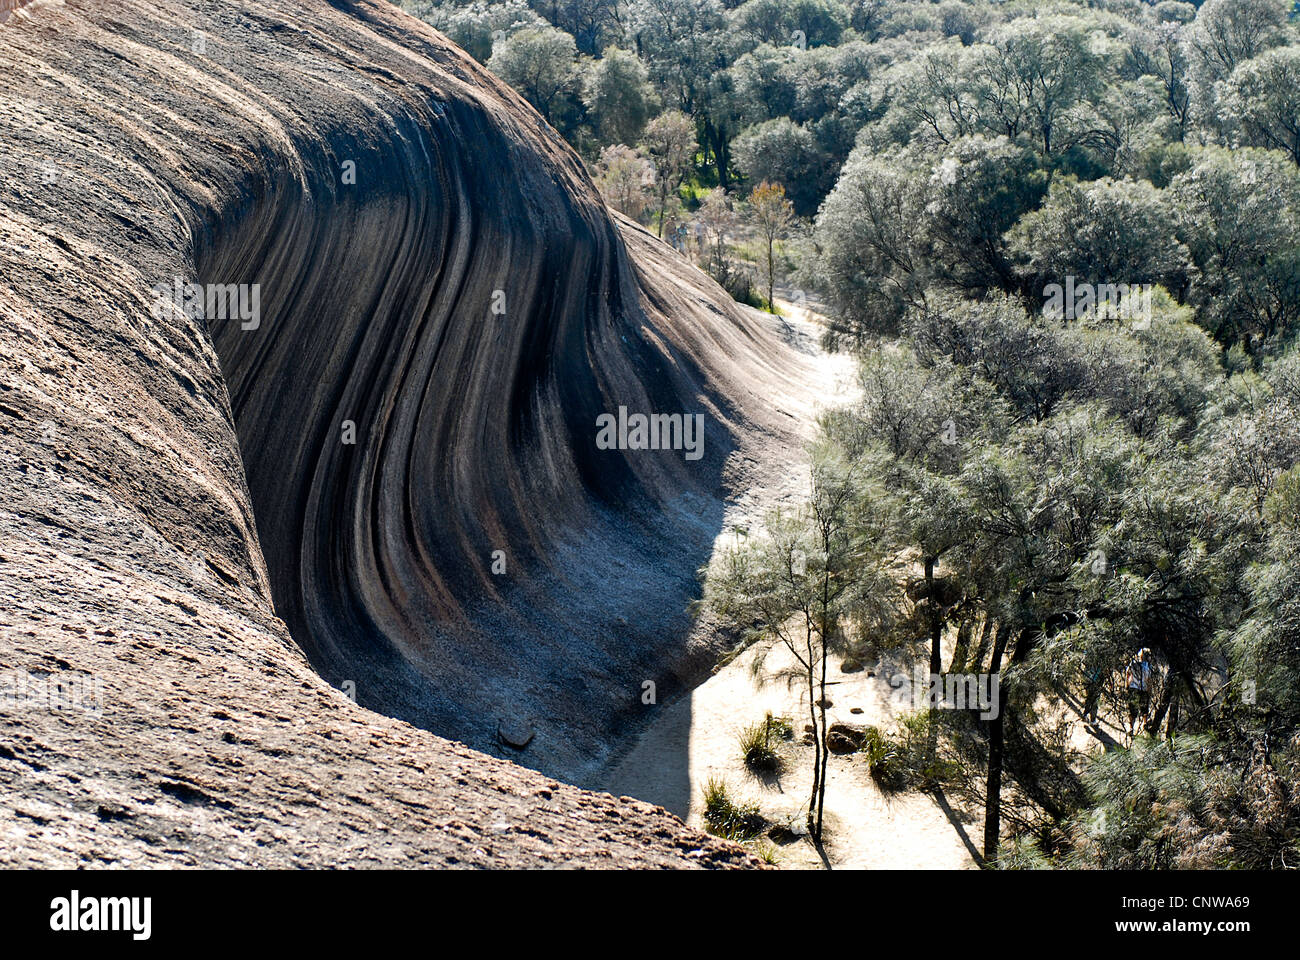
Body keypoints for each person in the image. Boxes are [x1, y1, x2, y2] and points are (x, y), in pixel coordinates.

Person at [1125, 648, 1153, 735]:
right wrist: (1149, 692)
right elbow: (1149, 680)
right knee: (1144, 709)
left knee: (1132, 710)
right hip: (1143, 690)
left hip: (1133, 689)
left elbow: (1127, 673)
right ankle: (1145, 725)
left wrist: (1127, 684)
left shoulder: (1133, 664)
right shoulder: (1148, 667)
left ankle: (1130, 728)